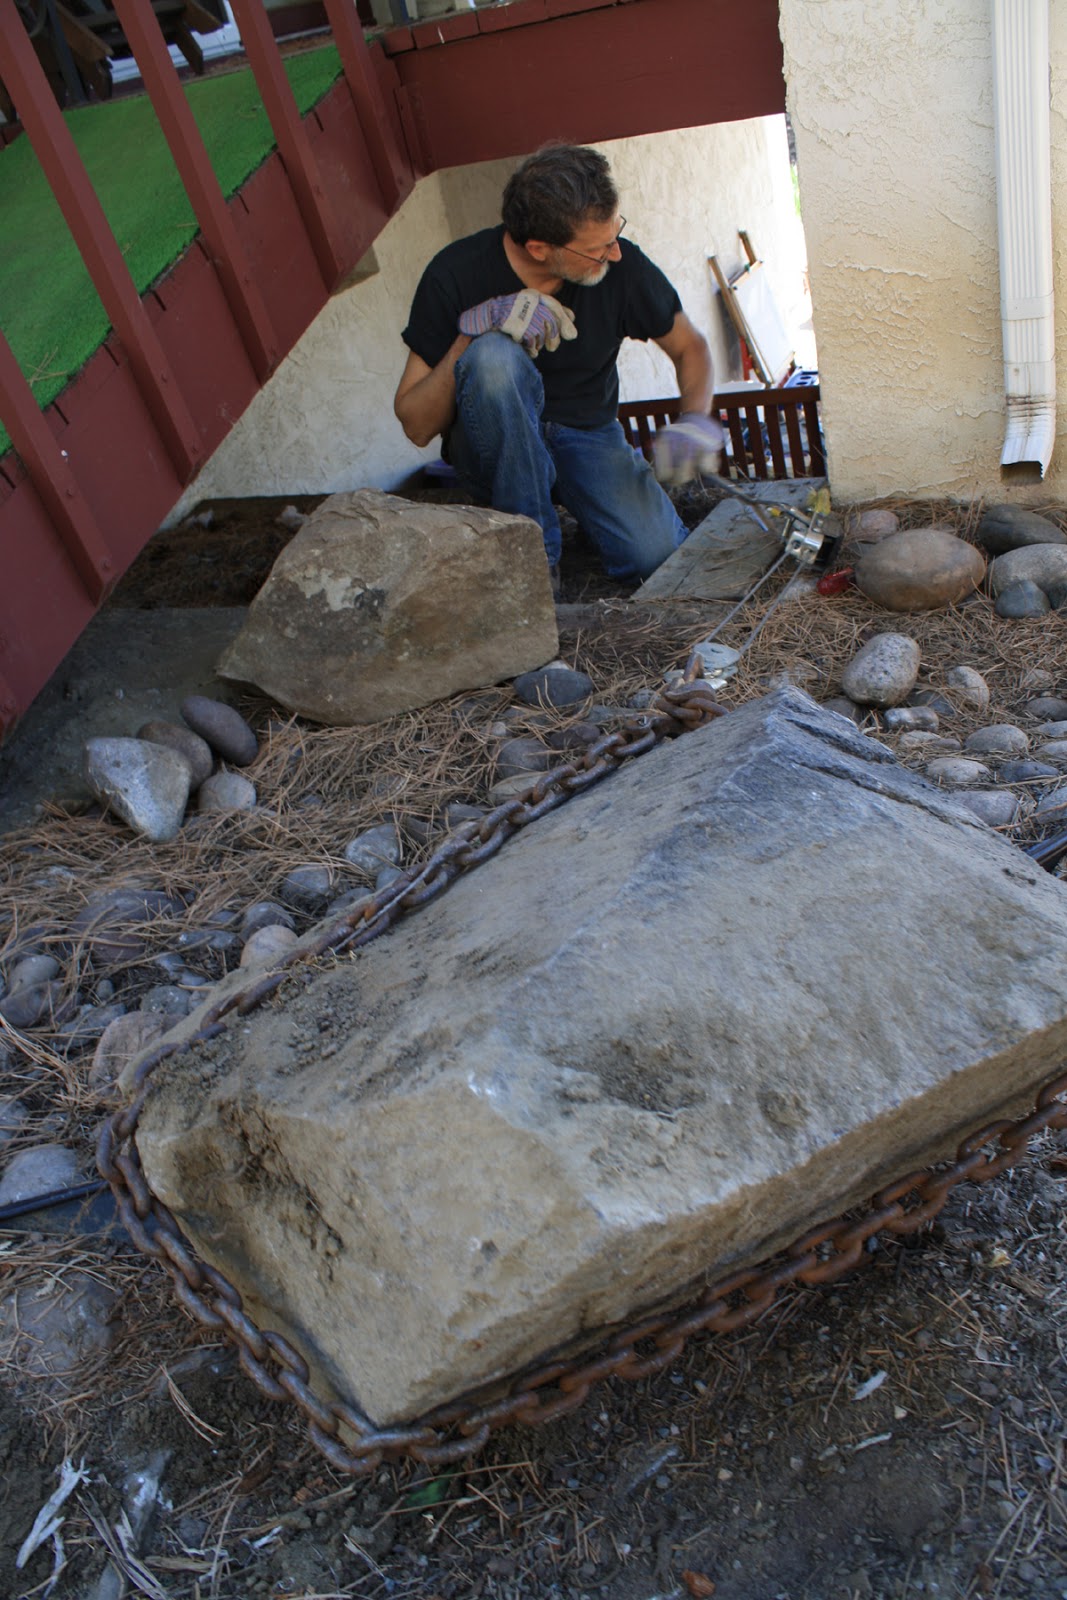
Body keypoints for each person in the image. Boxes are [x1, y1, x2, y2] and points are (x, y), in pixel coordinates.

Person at [393, 143, 723, 588]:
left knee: (657, 557)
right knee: (493, 357)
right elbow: (415, 424)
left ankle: (589, 511)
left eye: (614, 235)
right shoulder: (454, 274)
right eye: (597, 249)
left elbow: (691, 347)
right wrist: (474, 332)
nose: (614, 254)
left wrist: (695, 418)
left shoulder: (621, 267)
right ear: (539, 248)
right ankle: (535, 562)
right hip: (493, 452)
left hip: (586, 436)